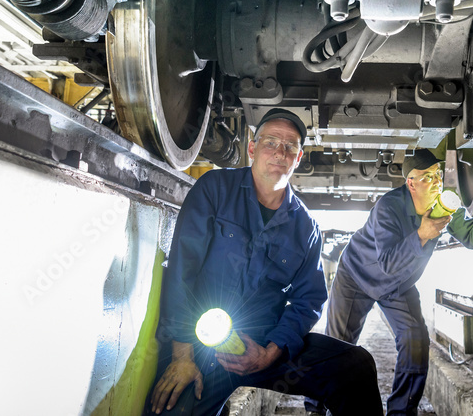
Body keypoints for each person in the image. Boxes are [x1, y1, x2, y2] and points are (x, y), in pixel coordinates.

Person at [148, 108, 383, 416]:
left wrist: (271, 351)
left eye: (290, 147)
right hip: (198, 342)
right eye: (271, 142)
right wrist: (181, 356)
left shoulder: (306, 228)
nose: (279, 152)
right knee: (170, 410)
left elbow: (308, 301)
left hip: (260, 344)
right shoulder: (214, 190)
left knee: (355, 366)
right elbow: (182, 271)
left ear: (297, 159)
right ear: (252, 148)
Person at [306, 149, 473, 416]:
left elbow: (467, 231)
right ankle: (316, 407)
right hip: (356, 277)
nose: (436, 182)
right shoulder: (389, 207)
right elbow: (387, 263)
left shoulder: (445, 204)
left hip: (397, 286)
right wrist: (422, 235)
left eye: (437, 175)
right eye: (428, 177)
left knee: (415, 340)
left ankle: (402, 411)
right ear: (411, 183)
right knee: (338, 345)